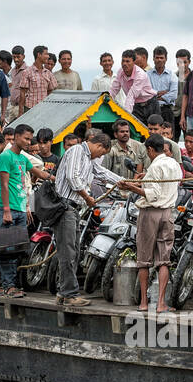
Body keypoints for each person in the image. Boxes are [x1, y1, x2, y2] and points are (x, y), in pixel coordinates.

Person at [51, 130, 136, 306]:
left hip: (73, 209)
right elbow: (72, 178)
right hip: (65, 207)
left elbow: (101, 172)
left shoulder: (89, 159)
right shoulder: (76, 151)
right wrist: (87, 197)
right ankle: (69, 294)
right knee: (68, 252)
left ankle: (65, 292)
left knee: (73, 250)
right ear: (99, 146)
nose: (101, 156)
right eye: (102, 153)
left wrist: (123, 182)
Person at [0, 124, 53, 296]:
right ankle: (9, 286)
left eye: (30, 139)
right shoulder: (5, 157)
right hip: (10, 208)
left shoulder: (22, 158)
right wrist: (6, 210)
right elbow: (4, 185)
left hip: (21, 208)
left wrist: (55, 178)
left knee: (15, 249)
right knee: (7, 250)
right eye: (26, 139)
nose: (29, 142)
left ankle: (7, 280)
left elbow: (39, 172)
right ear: (16, 137)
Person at [135, 134, 184, 313]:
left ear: (149, 150)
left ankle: (144, 302)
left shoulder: (155, 166)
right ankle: (161, 303)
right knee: (164, 259)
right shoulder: (173, 164)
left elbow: (153, 194)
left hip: (151, 213)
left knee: (144, 260)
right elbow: (171, 184)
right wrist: (145, 177)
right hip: (167, 213)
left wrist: (131, 187)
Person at [12, 45, 56, 116]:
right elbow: (22, 93)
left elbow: (50, 92)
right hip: (29, 109)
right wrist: (20, 112)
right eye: (46, 54)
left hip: (44, 109)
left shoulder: (48, 73)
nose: (48, 56)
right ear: (39, 55)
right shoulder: (27, 72)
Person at [111, 49, 157, 115]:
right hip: (136, 105)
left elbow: (132, 95)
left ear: (134, 62)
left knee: (153, 125)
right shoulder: (120, 72)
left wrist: (126, 115)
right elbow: (113, 90)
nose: (124, 64)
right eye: (123, 61)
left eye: (127, 61)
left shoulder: (140, 74)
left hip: (150, 104)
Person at [147, 46, 178, 130]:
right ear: (153, 58)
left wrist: (155, 96)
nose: (159, 60)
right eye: (157, 57)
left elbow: (174, 95)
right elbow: (146, 93)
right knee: (152, 136)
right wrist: (160, 93)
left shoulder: (172, 75)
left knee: (168, 137)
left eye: (161, 58)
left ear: (166, 59)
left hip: (167, 110)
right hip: (151, 110)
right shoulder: (147, 75)